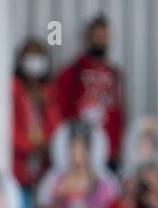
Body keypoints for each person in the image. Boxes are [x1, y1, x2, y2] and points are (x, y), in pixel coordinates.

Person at [54, 15, 126, 171]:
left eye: (104, 36)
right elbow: (59, 110)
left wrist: (117, 149)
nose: (101, 40)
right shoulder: (71, 72)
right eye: (97, 36)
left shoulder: (114, 74)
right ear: (88, 38)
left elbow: (119, 115)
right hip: (79, 154)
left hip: (108, 154)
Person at [36, 121, 120, 208]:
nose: (77, 152)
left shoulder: (106, 183)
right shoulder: (53, 182)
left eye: (83, 147)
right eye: (73, 146)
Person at [11, 37, 62, 192]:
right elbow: (8, 131)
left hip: (44, 171)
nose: (35, 61)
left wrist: (48, 105)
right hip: (17, 170)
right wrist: (33, 146)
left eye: (39, 56)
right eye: (30, 56)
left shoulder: (50, 92)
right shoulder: (13, 89)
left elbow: (58, 130)